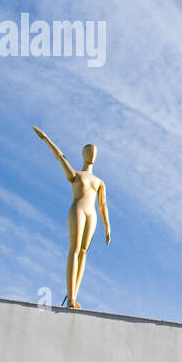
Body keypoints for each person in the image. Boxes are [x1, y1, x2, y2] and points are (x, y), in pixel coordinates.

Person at [34, 126, 111, 308]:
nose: (92, 155)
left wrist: (107, 226)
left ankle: (74, 296)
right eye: (89, 152)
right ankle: (70, 297)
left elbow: (102, 205)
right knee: (75, 249)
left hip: (92, 214)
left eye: (94, 153)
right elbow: (60, 158)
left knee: (83, 252)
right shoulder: (76, 175)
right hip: (78, 209)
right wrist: (46, 138)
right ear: (83, 154)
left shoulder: (99, 182)